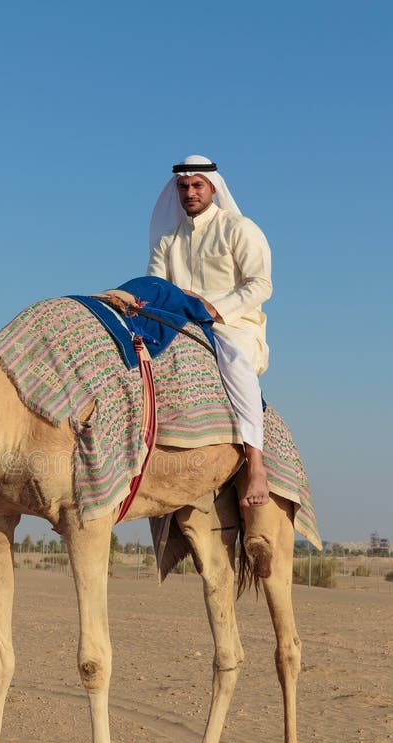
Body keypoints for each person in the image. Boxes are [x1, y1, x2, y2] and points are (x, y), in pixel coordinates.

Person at [147, 154, 272, 506]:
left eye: (197, 185)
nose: (190, 192)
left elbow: (261, 284)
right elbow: (156, 285)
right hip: (180, 324)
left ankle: (256, 466)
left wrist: (216, 308)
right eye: (183, 186)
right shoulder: (167, 240)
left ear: (213, 188)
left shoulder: (239, 228)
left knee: (235, 366)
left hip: (233, 326)